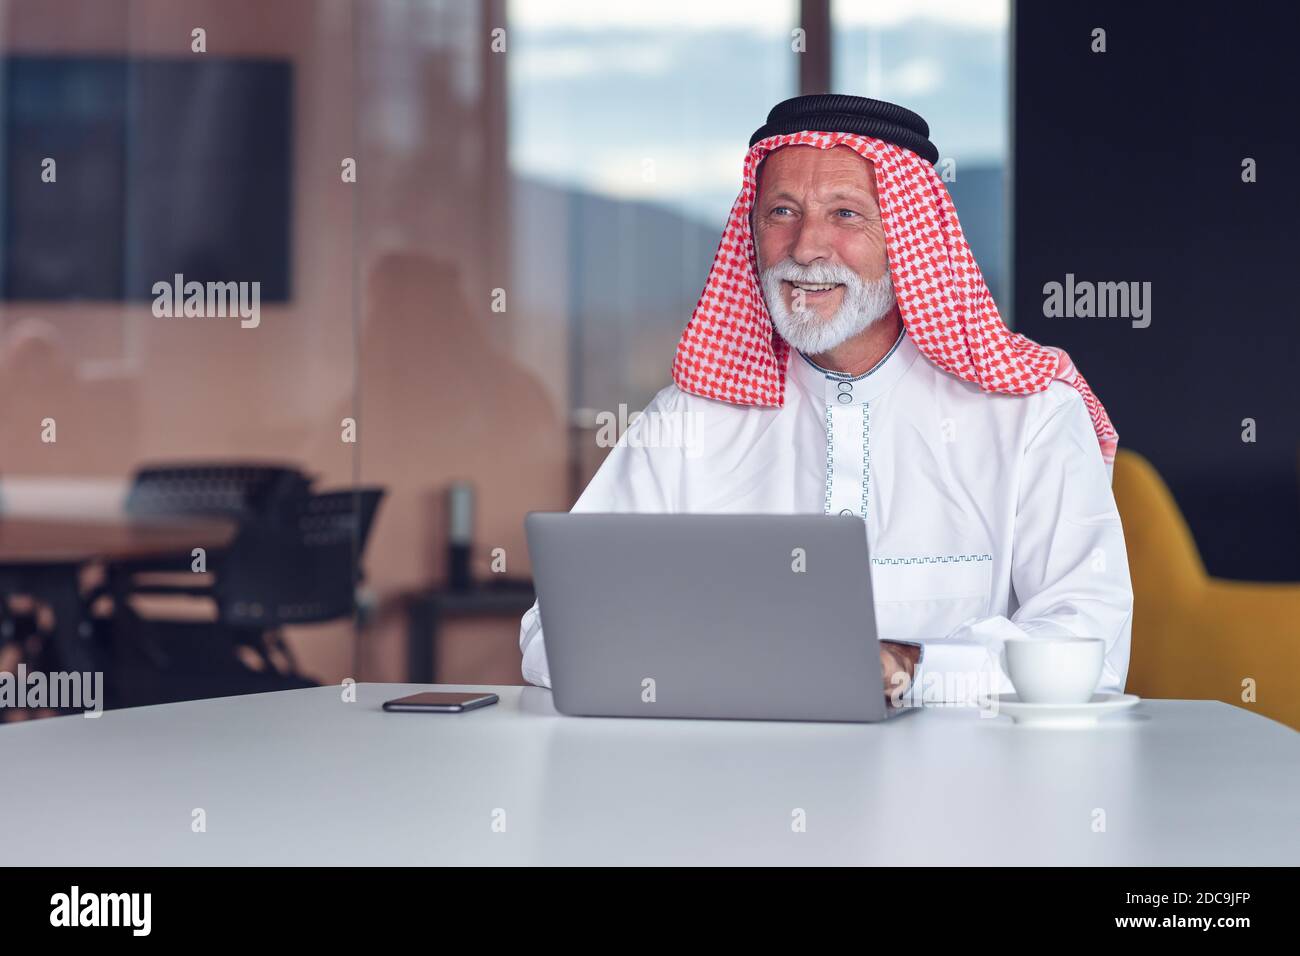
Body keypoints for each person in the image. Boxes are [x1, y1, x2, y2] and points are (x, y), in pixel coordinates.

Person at [520, 95, 1131, 705]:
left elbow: (1091, 645)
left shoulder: (1029, 415)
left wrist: (912, 668)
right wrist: (752, 664)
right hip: (735, 785)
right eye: (782, 211)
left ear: (910, 239)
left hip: (965, 790)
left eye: (845, 214)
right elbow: (554, 633)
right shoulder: (690, 418)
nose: (807, 247)